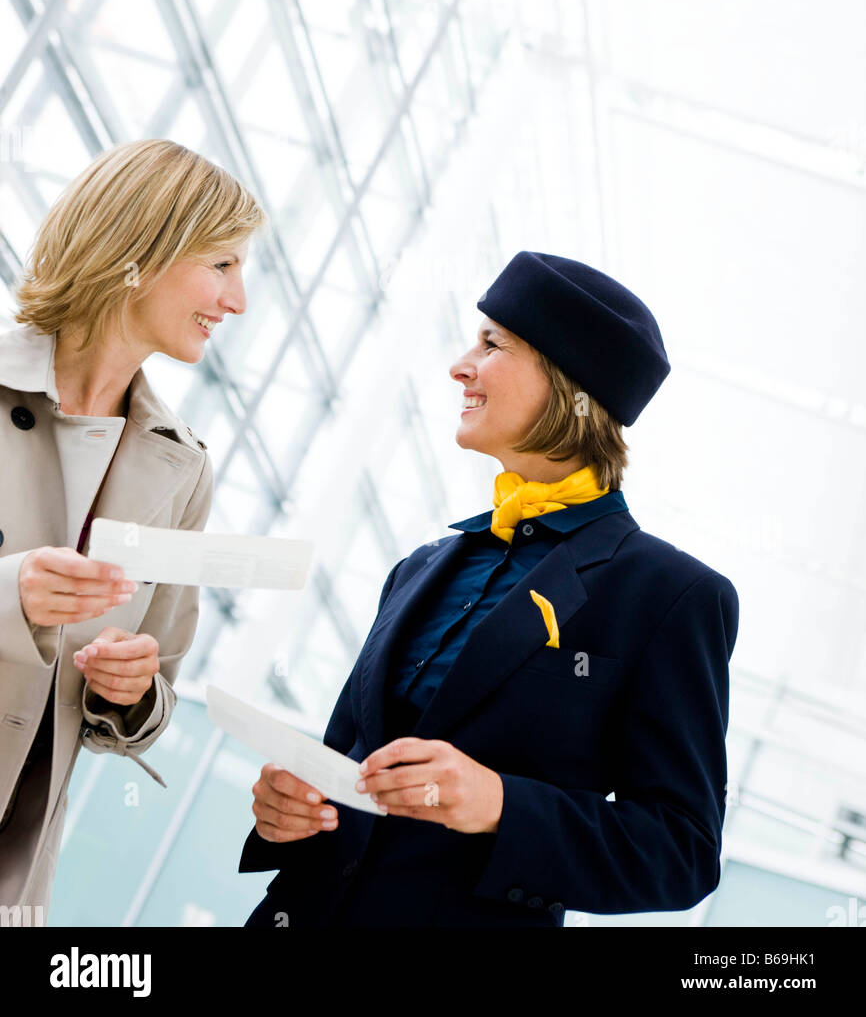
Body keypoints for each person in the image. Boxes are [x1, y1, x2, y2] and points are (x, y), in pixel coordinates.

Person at [240, 251, 739, 928]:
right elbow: (348, 763)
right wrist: (289, 811)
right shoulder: (420, 568)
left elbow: (682, 850)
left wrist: (499, 802)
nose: (460, 365)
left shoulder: (669, 595)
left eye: (491, 343)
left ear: (570, 384)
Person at [0, 138, 266, 914]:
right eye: (222, 265)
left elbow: (156, 697)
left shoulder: (182, 470)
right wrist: (14, 594)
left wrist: (132, 691)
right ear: (139, 253)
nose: (239, 300)